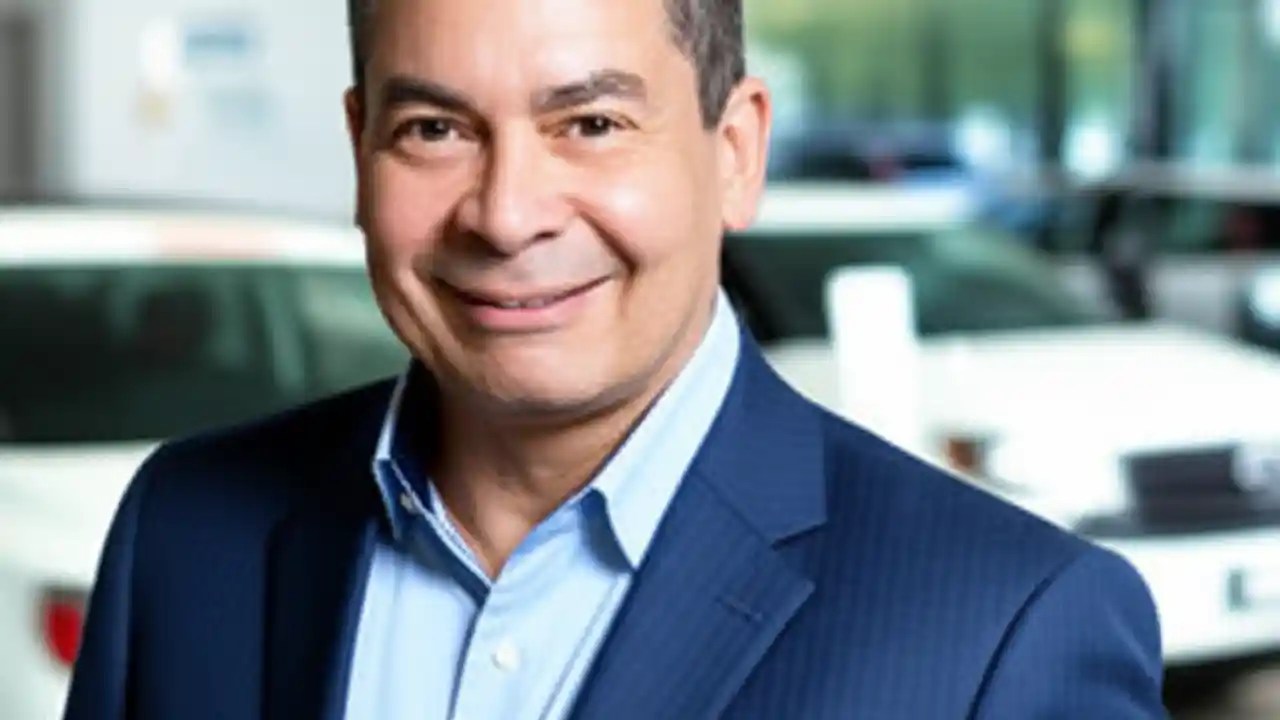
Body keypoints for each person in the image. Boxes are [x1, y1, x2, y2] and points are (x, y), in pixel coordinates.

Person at [64, 0, 1165, 717]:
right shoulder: (188, 527)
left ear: (733, 154)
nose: (504, 216)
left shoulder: (1005, 630)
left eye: (588, 124)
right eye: (434, 131)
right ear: (360, 150)